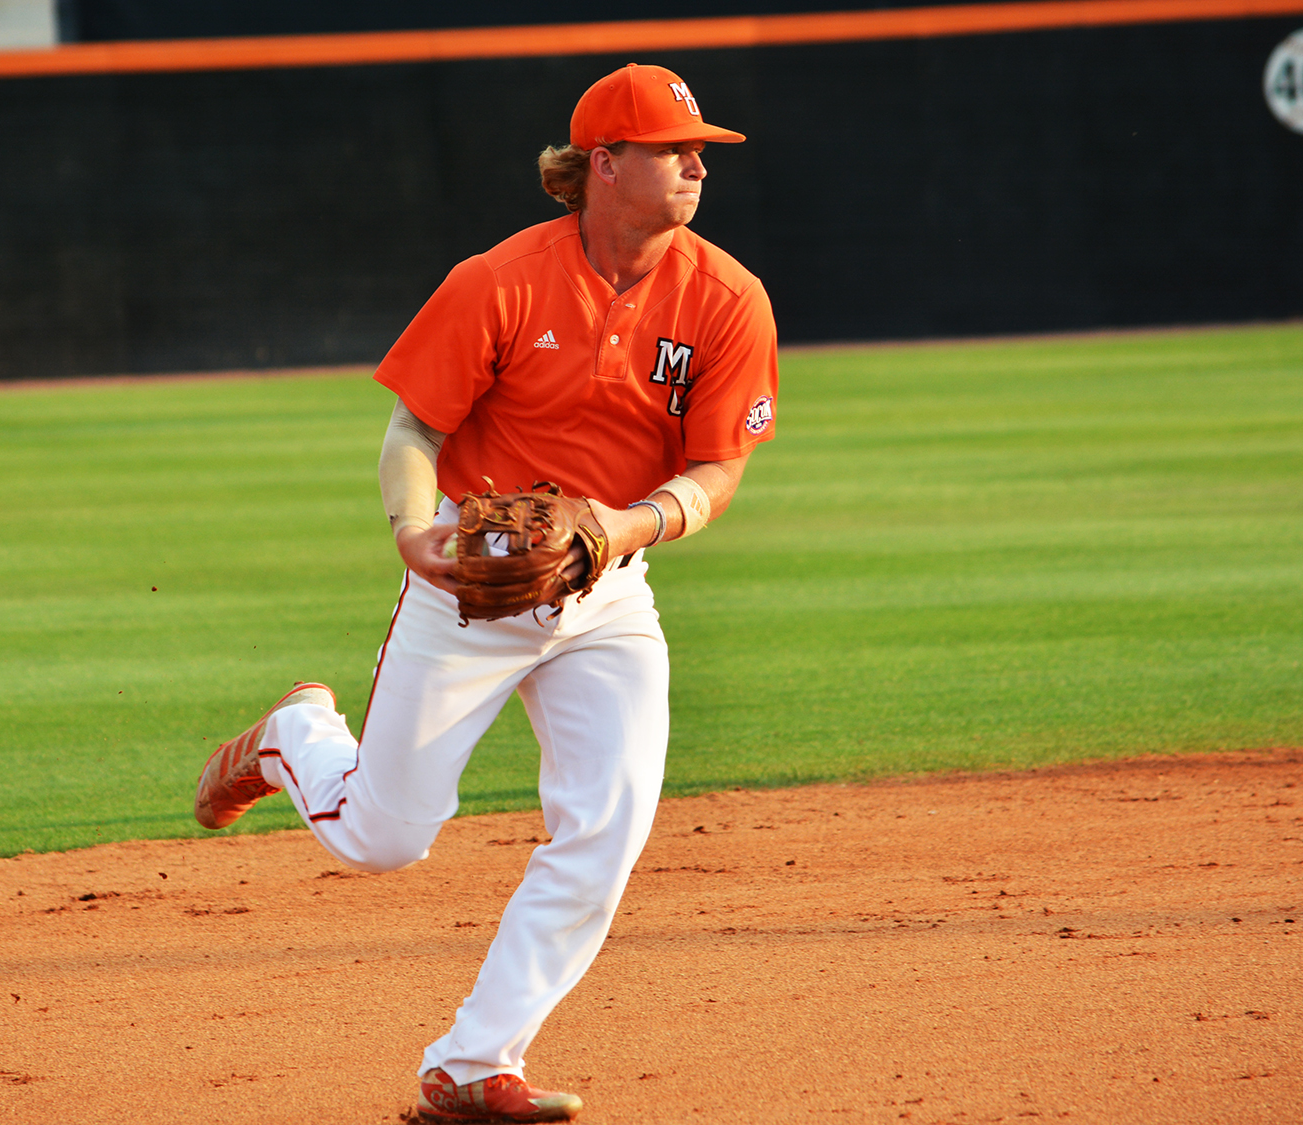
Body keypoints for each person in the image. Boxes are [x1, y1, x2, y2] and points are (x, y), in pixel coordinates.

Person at [194, 62, 778, 1123]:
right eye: (671, 149)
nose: (696, 163)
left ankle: (472, 1062)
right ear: (603, 165)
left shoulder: (726, 299)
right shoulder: (500, 280)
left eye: (701, 151)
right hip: (470, 585)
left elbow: (715, 470)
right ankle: (293, 734)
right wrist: (413, 530)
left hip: (606, 592)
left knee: (606, 824)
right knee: (384, 838)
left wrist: (625, 524)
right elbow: (412, 430)